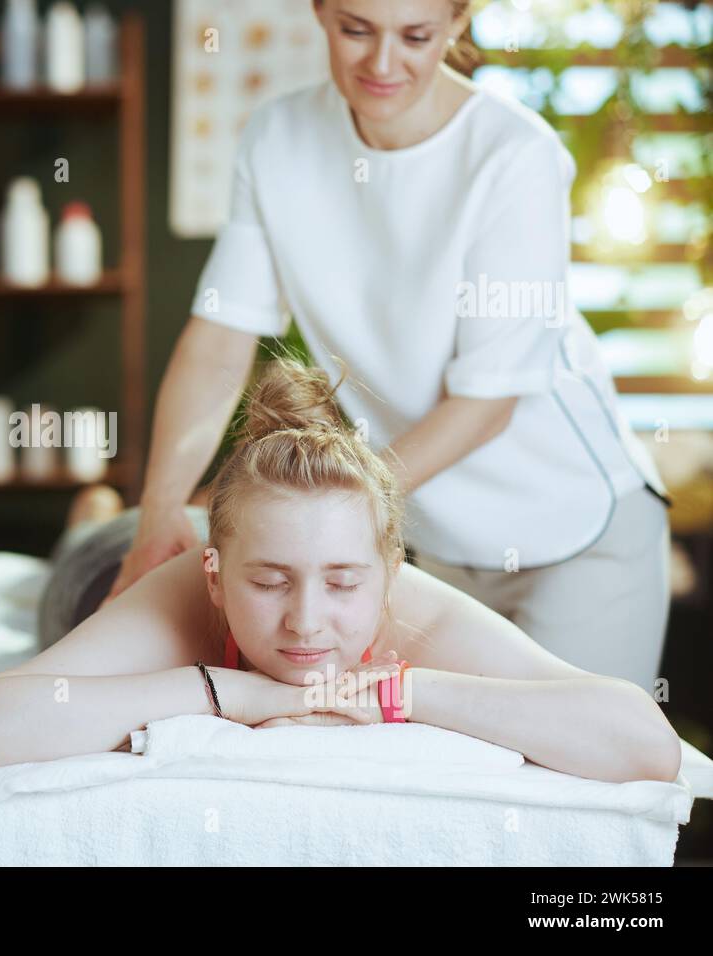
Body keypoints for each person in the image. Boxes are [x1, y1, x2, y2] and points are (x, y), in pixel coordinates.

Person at [102, 0, 672, 690]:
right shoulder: (277, 138)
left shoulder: (513, 155)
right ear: (318, 12)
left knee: (579, 772)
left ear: (458, 22)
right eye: (356, 29)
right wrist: (161, 507)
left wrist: (334, 517)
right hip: (418, 536)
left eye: (416, 36)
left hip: (573, 528)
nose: (381, 62)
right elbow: (222, 336)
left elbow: (487, 402)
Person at [0, 356, 680, 782]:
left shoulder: (412, 609)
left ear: (389, 574)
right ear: (215, 579)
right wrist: (229, 691)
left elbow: (645, 744)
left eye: (343, 581)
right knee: (85, 551)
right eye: (266, 582)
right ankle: (91, 515)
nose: (305, 620)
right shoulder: (180, 595)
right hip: (113, 566)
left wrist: (408, 694)